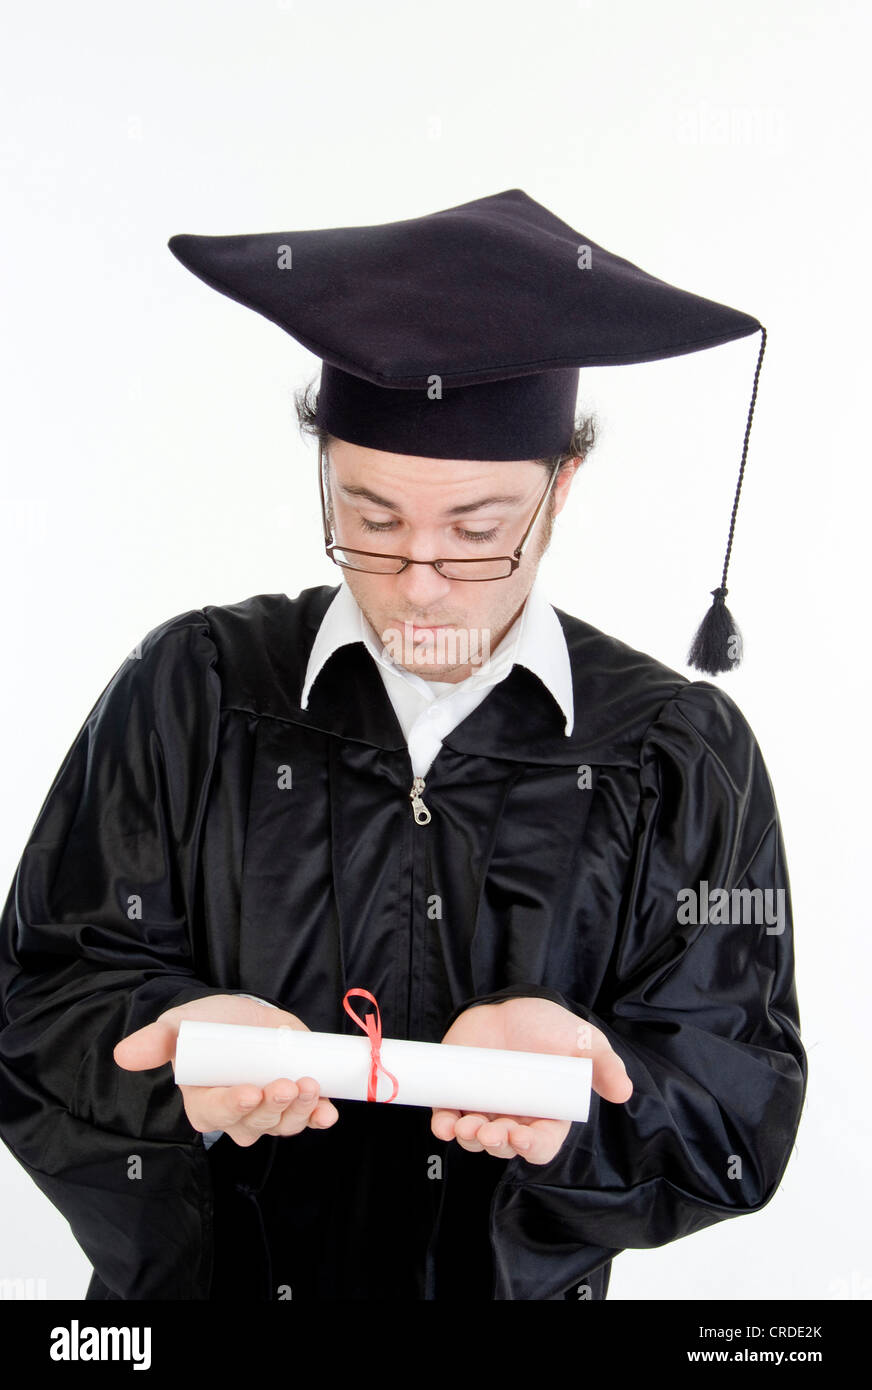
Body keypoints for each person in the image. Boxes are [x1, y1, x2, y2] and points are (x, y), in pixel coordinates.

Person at [0, 189, 806, 1301]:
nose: (415, 579)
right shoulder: (191, 690)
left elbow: (733, 1105)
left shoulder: (676, 754)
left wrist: (577, 1095)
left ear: (559, 488)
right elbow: (41, 997)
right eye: (371, 518)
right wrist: (167, 1050)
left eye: (475, 532)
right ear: (323, 461)